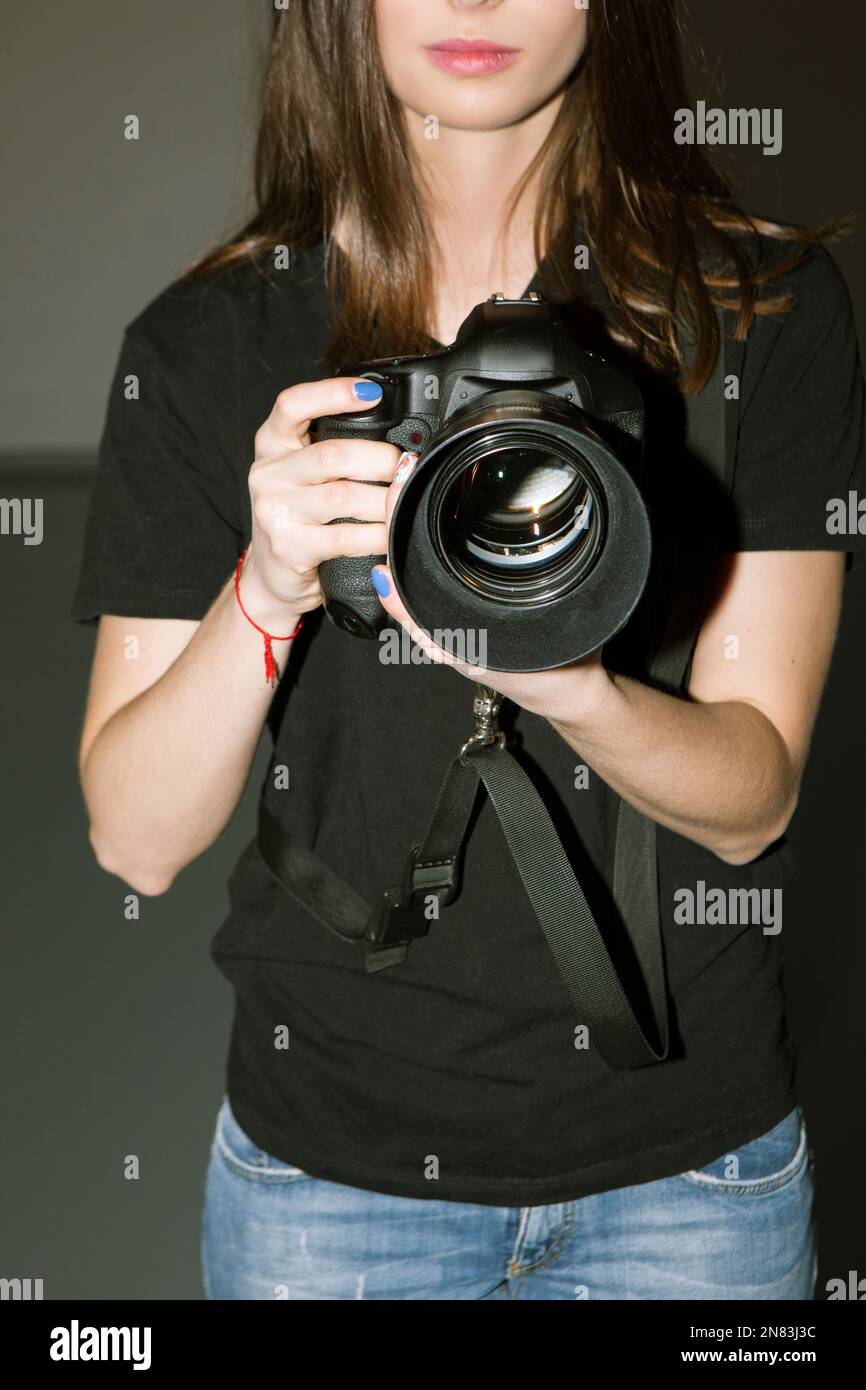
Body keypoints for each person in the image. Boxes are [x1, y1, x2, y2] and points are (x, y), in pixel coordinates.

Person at [72, 0, 866, 1300]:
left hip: (687, 1166)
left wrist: (568, 680)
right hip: (328, 1173)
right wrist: (265, 586)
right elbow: (136, 840)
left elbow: (752, 802)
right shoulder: (208, 342)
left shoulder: (759, 311)